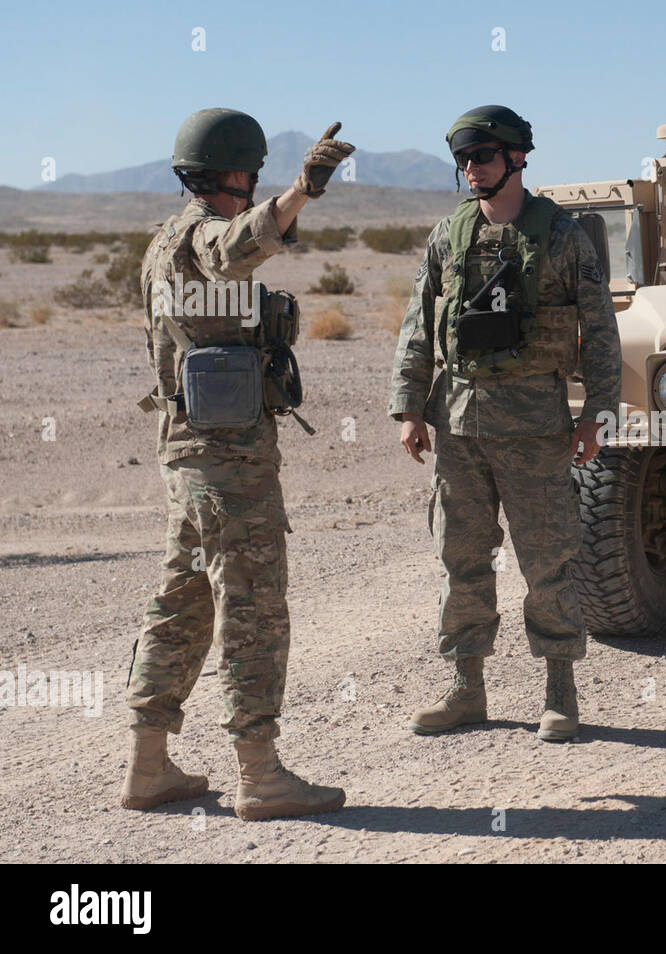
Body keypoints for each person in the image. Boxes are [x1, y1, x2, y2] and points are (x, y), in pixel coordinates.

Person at [124, 108, 354, 820]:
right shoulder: (200, 235)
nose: (252, 184)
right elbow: (235, 245)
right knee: (252, 609)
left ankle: (148, 764)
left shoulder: (161, 240)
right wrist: (301, 192)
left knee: (182, 606)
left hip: (189, 457)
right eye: (250, 174)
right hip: (228, 465)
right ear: (233, 171)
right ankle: (260, 774)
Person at [389, 105, 621, 742]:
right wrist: (410, 407)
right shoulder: (450, 234)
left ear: (517, 157)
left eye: (484, 156)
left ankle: (560, 691)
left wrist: (596, 415)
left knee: (549, 560)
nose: (471, 169)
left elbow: (600, 330)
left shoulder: (562, 235)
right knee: (461, 558)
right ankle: (466, 689)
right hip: (459, 425)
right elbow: (418, 323)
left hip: (534, 425)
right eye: (464, 159)